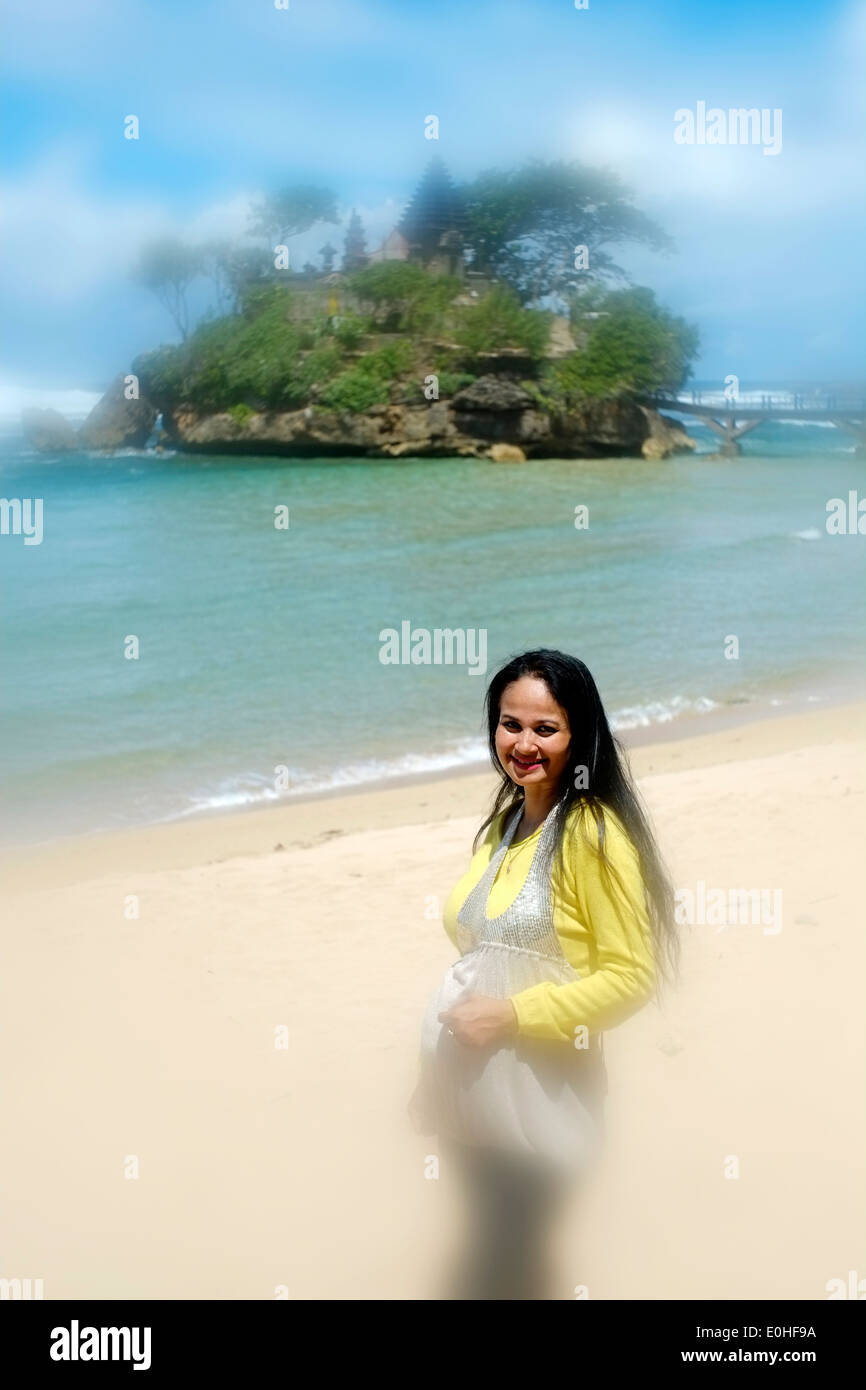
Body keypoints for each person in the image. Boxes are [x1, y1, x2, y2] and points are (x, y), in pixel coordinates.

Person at [409, 649, 679, 1299]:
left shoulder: (591, 834)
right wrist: (435, 1080)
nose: (523, 744)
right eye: (509, 724)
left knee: (506, 1264)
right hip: (471, 1099)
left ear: (578, 735)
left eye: (545, 729)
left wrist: (512, 1015)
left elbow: (631, 975)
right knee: (491, 1258)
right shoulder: (505, 824)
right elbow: (481, 957)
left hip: (543, 1100)